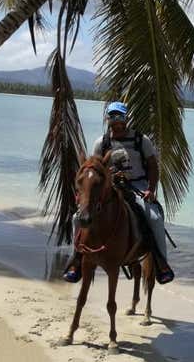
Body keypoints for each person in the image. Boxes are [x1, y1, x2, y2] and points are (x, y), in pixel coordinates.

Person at [62, 101, 175, 284]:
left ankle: (161, 263)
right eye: (113, 117)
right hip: (110, 187)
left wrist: (151, 189)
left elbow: (153, 166)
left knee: (154, 218)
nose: (116, 121)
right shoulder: (102, 142)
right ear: (108, 119)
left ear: (126, 118)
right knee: (77, 218)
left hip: (137, 186)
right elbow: (93, 169)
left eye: (120, 116)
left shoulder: (141, 140)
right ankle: (77, 259)